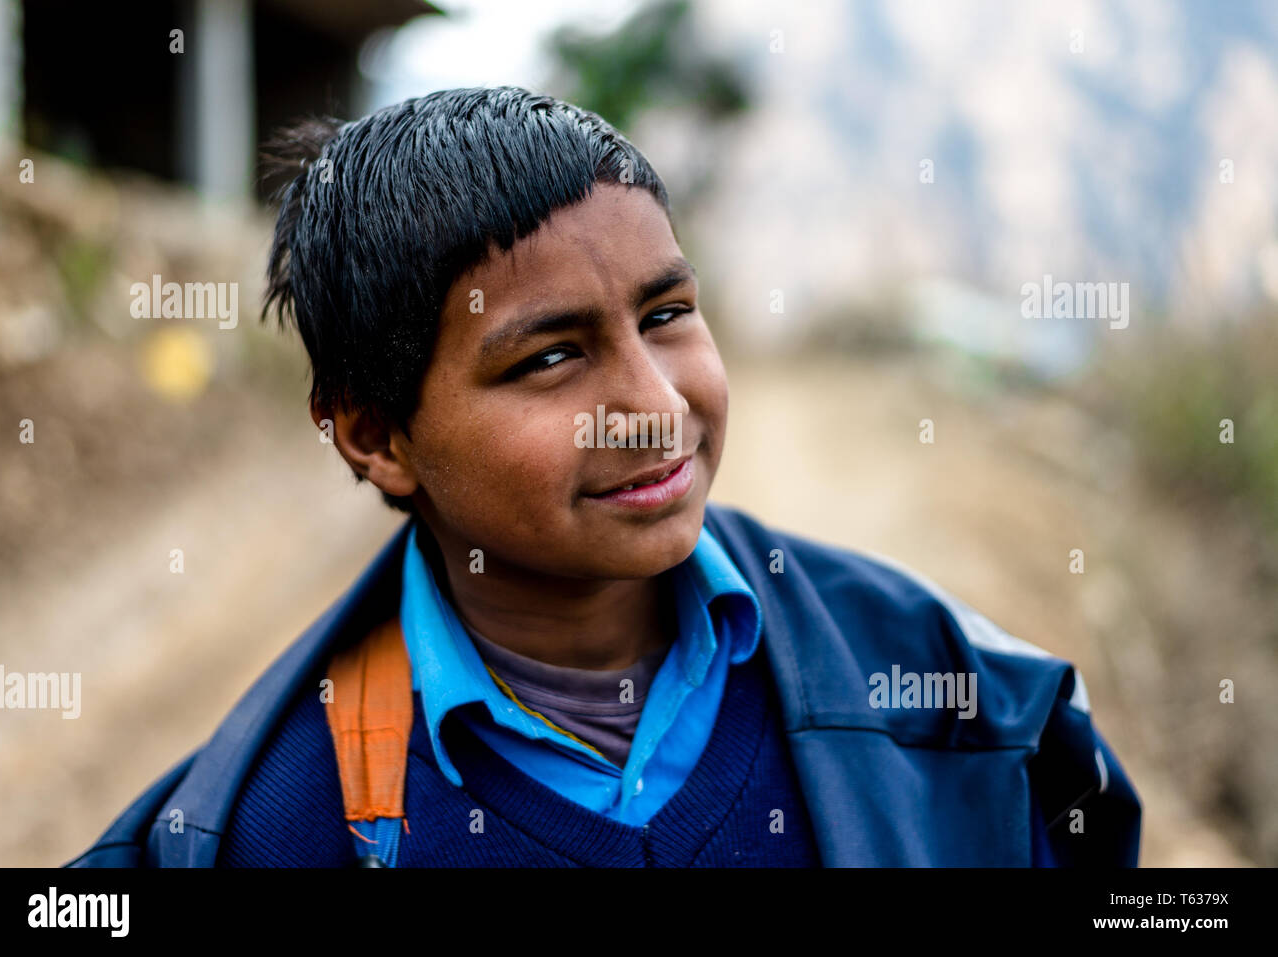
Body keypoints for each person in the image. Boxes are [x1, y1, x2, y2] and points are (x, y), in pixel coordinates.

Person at [67, 86, 1140, 868]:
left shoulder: (954, 707)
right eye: (549, 358)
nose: (658, 407)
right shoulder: (266, 832)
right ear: (374, 434)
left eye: (666, 315)